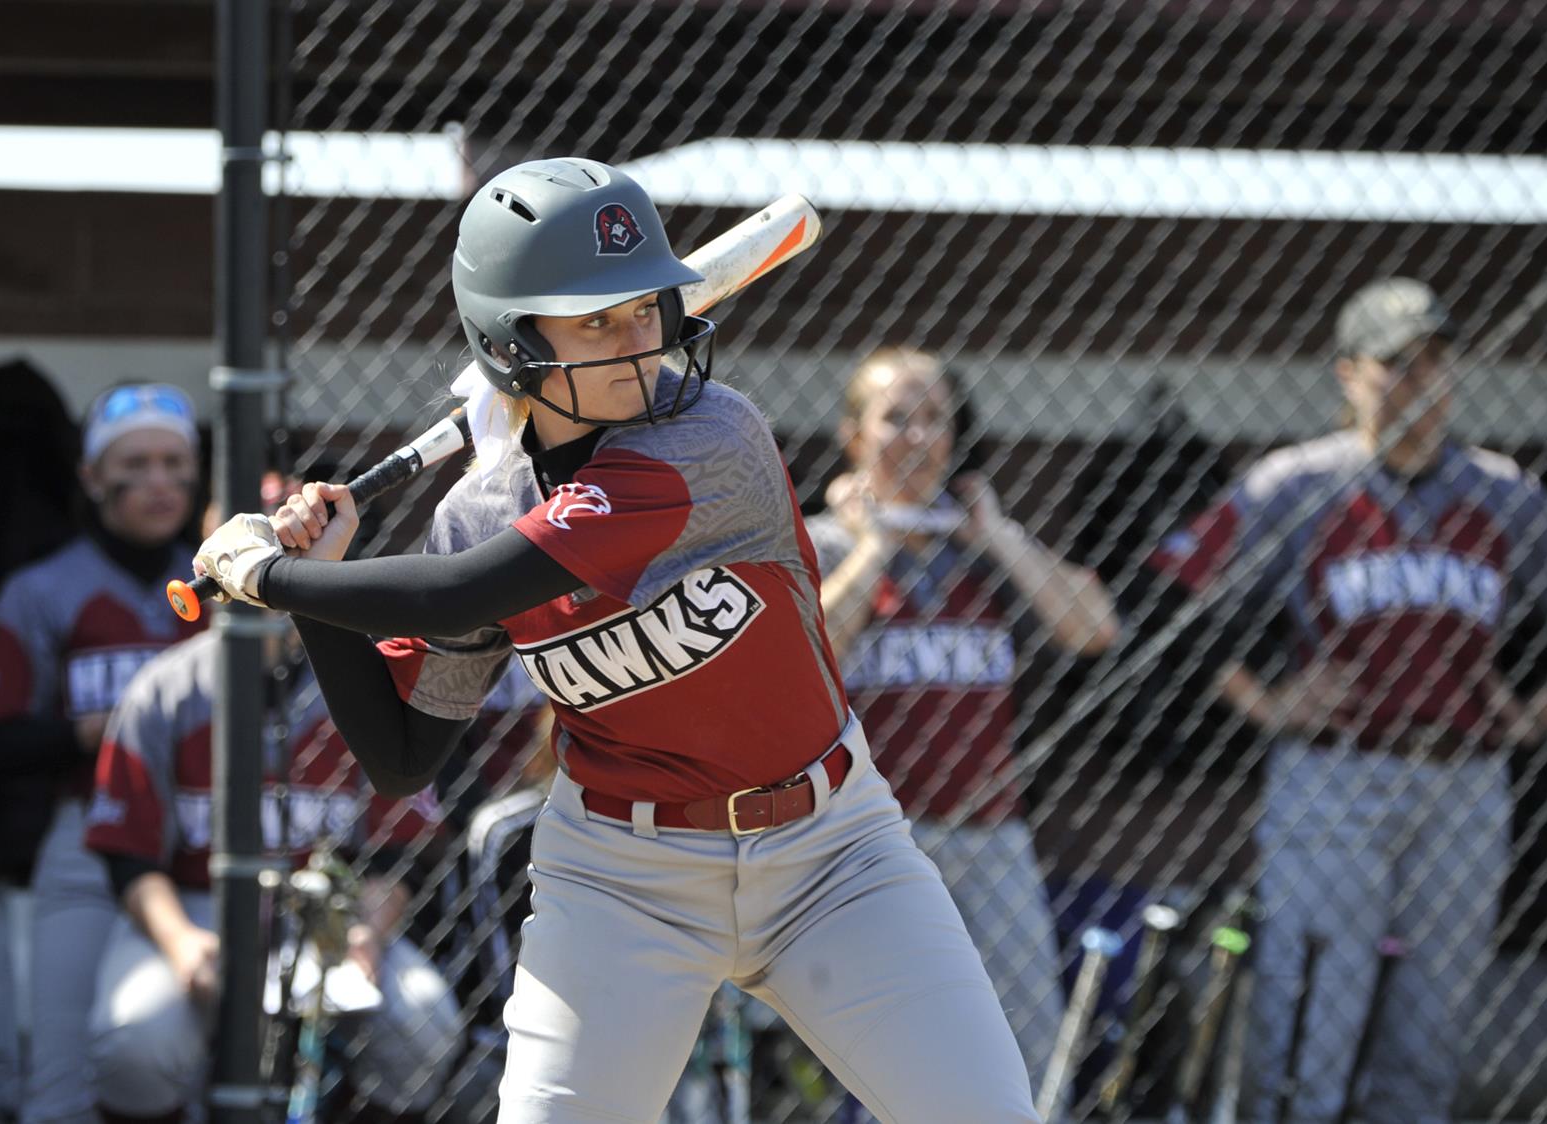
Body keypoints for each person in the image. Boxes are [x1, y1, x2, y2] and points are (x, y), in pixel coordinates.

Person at [192, 156, 1039, 1124]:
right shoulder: (484, 507)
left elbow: (473, 585)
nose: (639, 339)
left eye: (645, 307)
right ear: (511, 345)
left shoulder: (709, 438)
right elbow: (398, 754)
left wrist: (276, 575)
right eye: (594, 318)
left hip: (829, 853)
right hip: (617, 878)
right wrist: (320, 592)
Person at [1145, 278, 1547, 1122]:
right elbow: (1170, 600)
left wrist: (1545, 706)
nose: (1419, 384)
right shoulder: (1295, 485)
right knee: (1309, 1016)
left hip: (1464, 784)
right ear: (1349, 375)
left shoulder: (1500, 491)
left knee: (1431, 1031)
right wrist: (1266, 701)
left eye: (1435, 365)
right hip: (1336, 780)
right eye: (1396, 366)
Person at [807, 347, 1119, 1094]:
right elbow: (803, 651)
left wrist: (1002, 537)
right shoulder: (823, 542)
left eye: (935, 419)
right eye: (895, 420)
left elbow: (1095, 628)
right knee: (887, 1060)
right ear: (854, 437)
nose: (917, 438)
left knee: (1026, 1052)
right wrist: (877, 544)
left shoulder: (980, 543)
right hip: (869, 842)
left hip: (990, 835)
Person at [80, 612, 459, 1123]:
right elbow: (128, 855)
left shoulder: (361, 685)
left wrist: (368, 930)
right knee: (136, 1041)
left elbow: (397, 854)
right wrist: (181, 945)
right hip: (195, 905)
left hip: (329, 909)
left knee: (426, 1025)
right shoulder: (165, 687)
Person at [0, 382, 205, 1124]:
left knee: (186, 1068)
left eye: (175, 462)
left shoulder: (221, 581)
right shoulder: (41, 589)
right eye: (136, 464)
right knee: (65, 1082)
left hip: (194, 840)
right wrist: (100, 730)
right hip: (83, 840)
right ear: (93, 477)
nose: (159, 482)